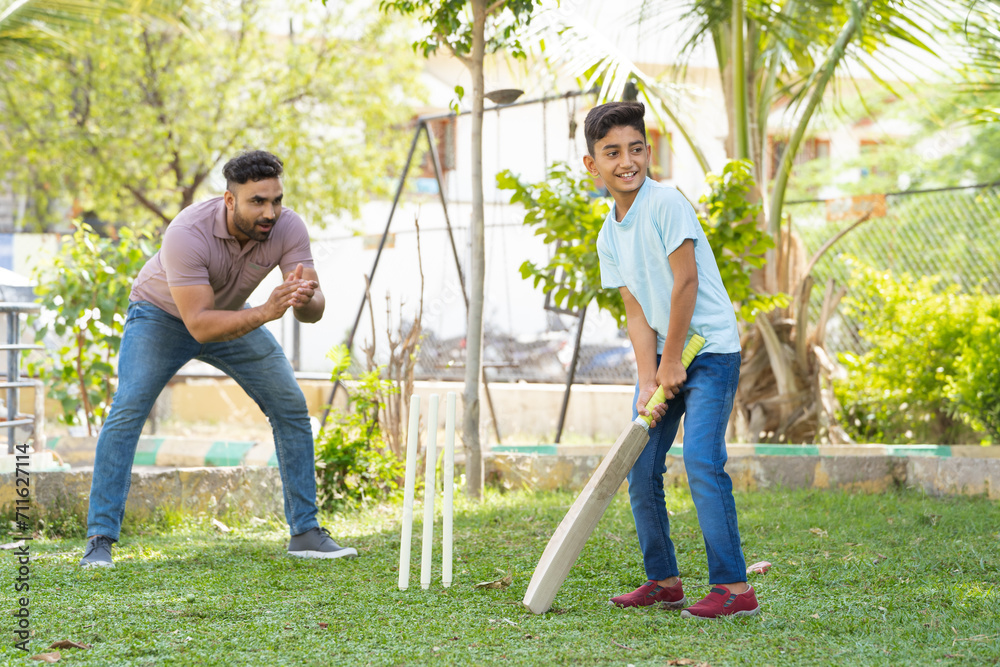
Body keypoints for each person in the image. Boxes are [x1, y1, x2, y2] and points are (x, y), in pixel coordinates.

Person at [79, 150, 357, 568]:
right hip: (163, 317)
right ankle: (99, 539)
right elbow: (200, 325)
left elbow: (311, 311)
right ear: (230, 201)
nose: (271, 212)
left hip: (232, 318)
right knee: (128, 409)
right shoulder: (187, 232)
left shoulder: (288, 226)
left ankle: (305, 532)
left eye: (276, 200)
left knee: (291, 406)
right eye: (258, 202)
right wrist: (266, 311)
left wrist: (306, 296)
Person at [585, 102, 759, 618]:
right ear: (592, 164)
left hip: (711, 349)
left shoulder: (666, 204)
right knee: (641, 462)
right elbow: (636, 313)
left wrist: (670, 366)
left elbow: (686, 283)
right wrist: (647, 379)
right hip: (667, 357)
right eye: (612, 152)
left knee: (702, 459)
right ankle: (664, 580)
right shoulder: (607, 234)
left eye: (635, 149)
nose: (626, 161)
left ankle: (734, 588)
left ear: (648, 151)